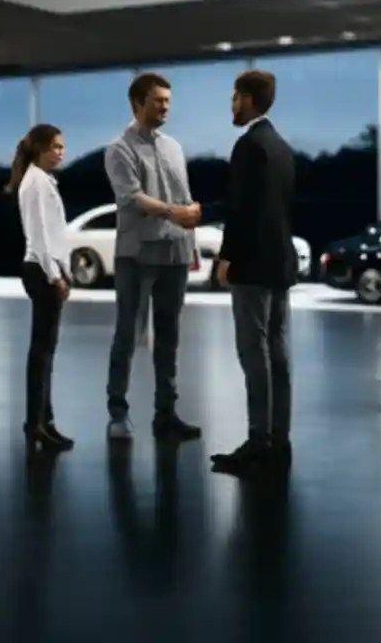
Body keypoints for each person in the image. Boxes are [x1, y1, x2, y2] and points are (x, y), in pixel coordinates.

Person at [103, 72, 203, 441]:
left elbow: (184, 194)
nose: (164, 107)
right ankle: (118, 412)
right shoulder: (119, 149)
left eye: (167, 101)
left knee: (169, 336)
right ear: (137, 103)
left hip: (175, 253)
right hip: (137, 255)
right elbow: (130, 197)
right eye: (158, 100)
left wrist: (189, 238)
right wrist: (174, 212)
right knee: (128, 333)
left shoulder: (174, 147)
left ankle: (166, 414)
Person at [211, 70, 298, 474]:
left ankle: (257, 440)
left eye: (233, 98)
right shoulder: (282, 147)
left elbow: (242, 210)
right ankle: (279, 438)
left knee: (253, 352)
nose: (231, 105)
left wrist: (226, 257)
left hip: (252, 266)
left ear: (247, 98)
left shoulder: (248, 146)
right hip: (280, 263)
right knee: (278, 353)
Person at [8, 123, 75, 452]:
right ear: (39, 149)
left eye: (63, 147)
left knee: (46, 351)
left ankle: (43, 422)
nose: (61, 152)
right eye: (55, 146)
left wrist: (62, 270)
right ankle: (35, 423)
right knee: (41, 352)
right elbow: (39, 237)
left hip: (46, 270)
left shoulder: (42, 181)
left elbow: (53, 233)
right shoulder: (35, 183)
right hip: (40, 271)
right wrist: (55, 275)